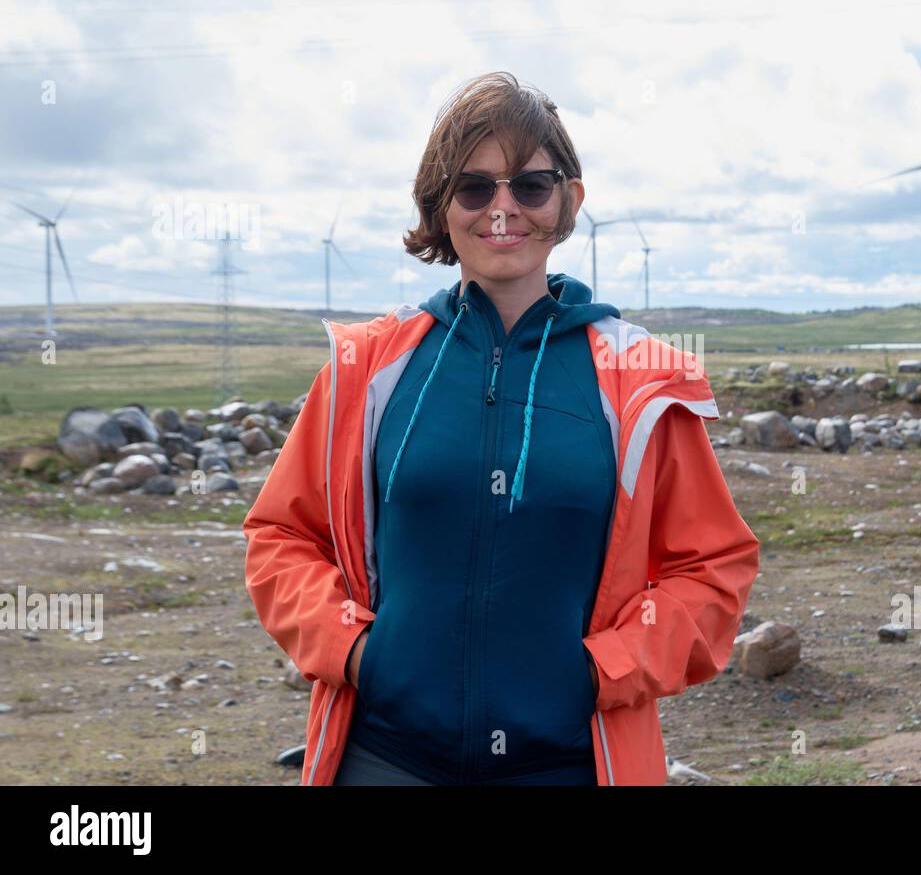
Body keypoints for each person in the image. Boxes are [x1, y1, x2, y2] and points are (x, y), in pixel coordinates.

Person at [243, 71, 760, 786]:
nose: (503, 209)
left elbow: (711, 569)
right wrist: (356, 652)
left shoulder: (637, 380)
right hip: (385, 758)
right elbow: (281, 538)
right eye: (475, 187)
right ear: (440, 206)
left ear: (570, 199)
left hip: (570, 763)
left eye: (531, 185)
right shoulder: (368, 369)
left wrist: (599, 670)